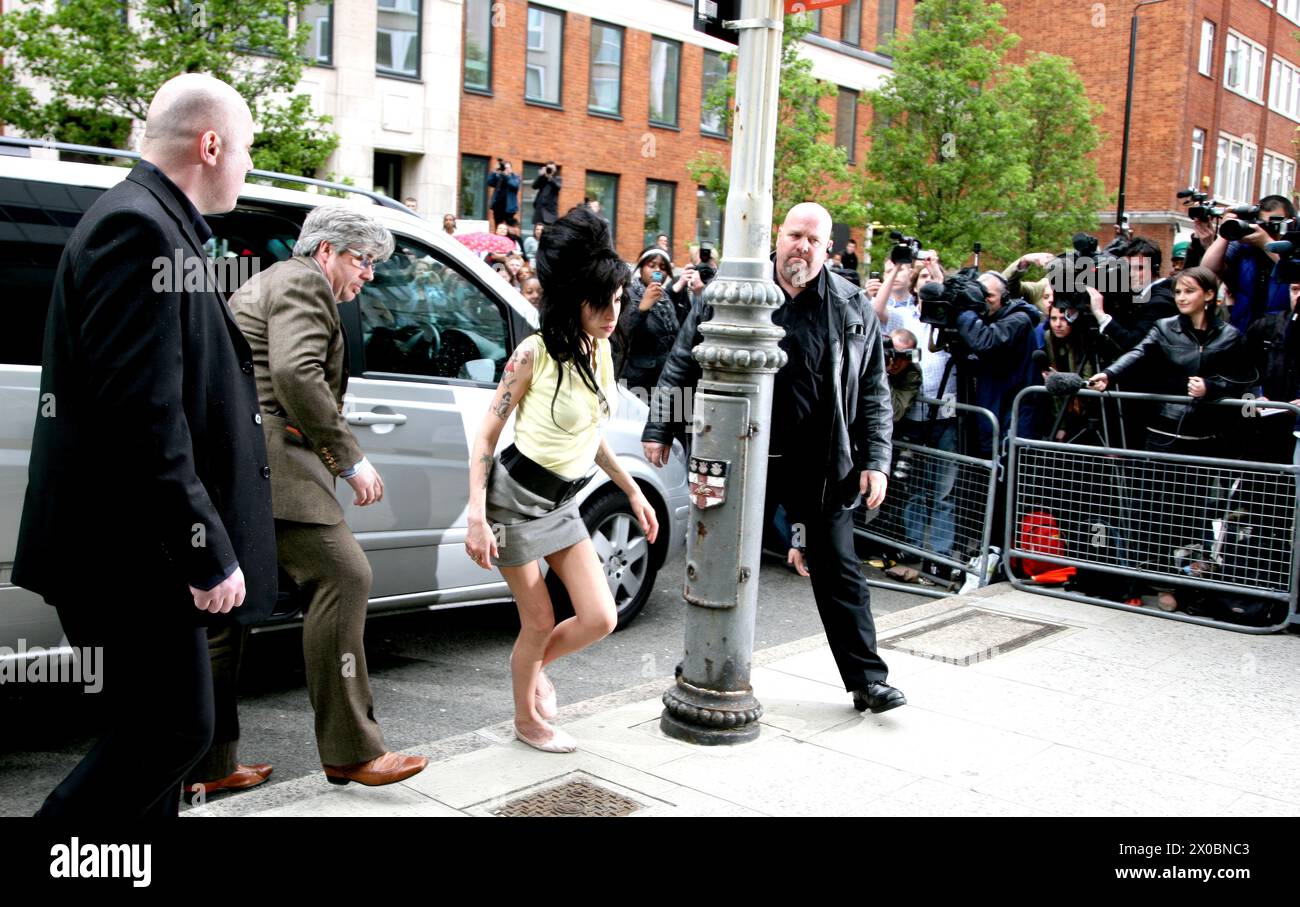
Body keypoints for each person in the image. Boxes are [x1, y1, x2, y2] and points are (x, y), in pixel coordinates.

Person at [13, 74, 277, 818]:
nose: (249, 165)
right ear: (212, 143)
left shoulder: (155, 223)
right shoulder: (139, 229)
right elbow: (143, 416)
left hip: (130, 548)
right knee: (173, 729)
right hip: (127, 555)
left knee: (154, 741)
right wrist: (205, 549)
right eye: (248, 149)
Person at [189, 205, 428, 793]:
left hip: (237, 469)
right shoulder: (302, 281)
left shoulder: (266, 279)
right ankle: (351, 751)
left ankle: (210, 767)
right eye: (362, 260)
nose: (369, 273)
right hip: (275, 472)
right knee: (345, 577)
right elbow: (297, 374)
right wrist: (349, 459)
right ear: (326, 252)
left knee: (225, 617)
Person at [644, 202, 905, 715]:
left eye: (813, 239)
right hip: (741, 455)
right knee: (719, 560)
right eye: (795, 235)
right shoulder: (733, 290)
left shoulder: (850, 304)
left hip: (820, 461)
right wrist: (660, 424)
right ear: (777, 237)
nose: (802, 246)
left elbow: (874, 390)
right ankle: (701, 663)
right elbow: (681, 359)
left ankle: (868, 680)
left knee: (839, 571)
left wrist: (877, 458)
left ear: (827, 249)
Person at [465, 206, 659, 752]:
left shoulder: (599, 351)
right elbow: (485, 437)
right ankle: (527, 720)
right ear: (575, 298)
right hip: (513, 504)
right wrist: (477, 516)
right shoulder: (534, 354)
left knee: (600, 617)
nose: (613, 314)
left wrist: (631, 488)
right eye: (602, 303)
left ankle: (531, 669)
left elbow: (589, 436)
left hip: (564, 504)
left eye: (620, 300)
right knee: (540, 617)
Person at [1090, 267, 1255, 610]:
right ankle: (1156, 583)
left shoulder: (1230, 336)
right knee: (1154, 511)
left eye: (1189, 291)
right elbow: (1137, 353)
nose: (1180, 298)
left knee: (1195, 514)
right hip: (1164, 434)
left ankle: (1190, 587)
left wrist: (1213, 388)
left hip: (1206, 438)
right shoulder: (1164, 328)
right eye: (1178, 291)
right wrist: (1108, 374)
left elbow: (1246, 378)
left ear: (1208, 296)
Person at [956, 271, 1043, 457]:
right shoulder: (984, 319)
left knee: (1012, 465)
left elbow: (985, 341)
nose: (983, 301)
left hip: (1015, 411)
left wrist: (964, 312)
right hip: (992, 405)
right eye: (980, 295)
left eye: (989, 296)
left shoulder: (1019, 318)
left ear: (1004, 297)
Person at [1202, 194, 1296, 331]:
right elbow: (1207, 269)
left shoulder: (1296, 246)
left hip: (1282, 336)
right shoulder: (1245, 247)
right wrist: (1227, 232)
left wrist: (1266, 243)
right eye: (1264, 223)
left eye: (1276, 223)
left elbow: (1294, 270)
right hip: (1243, 333)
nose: (1269, 229)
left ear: (1292, 223)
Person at [618, 247, 690, 397]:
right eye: (651, 266)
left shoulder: (665, 299)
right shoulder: (627, 295)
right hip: (635, 383)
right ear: (641, 267)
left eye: (663, 268)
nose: (657, 271)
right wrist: (642, 308)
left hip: (662, 380)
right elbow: (623, 334)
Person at [886, 329, 922, 422]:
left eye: (903, 357)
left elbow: (894, 414)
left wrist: (882, 375)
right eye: (893, 354)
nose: (896, 363)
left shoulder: (911, 374)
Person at [487, 158, 521, 230]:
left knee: (508, 228)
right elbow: (489, 182)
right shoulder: (499, 176)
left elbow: (515, 185)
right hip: (498, 207)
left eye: (508, 168)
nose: (506, 169)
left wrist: (506, 176)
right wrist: (494, 171)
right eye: (505, 168)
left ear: (511, 169)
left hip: (509, 208)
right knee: (498, 228)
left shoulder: (515, 177)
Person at [532, 161, 562, 226]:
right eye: (549, 168)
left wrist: (549, 177)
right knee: (537, 232)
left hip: (550, 212)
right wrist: (541, 176)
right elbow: (534, 186)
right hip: (539, 211)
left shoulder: (557, 178)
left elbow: (558, 187)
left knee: (549, 233)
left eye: (552, 168)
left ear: (555, 169)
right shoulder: (542, 178)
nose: (550, 170)